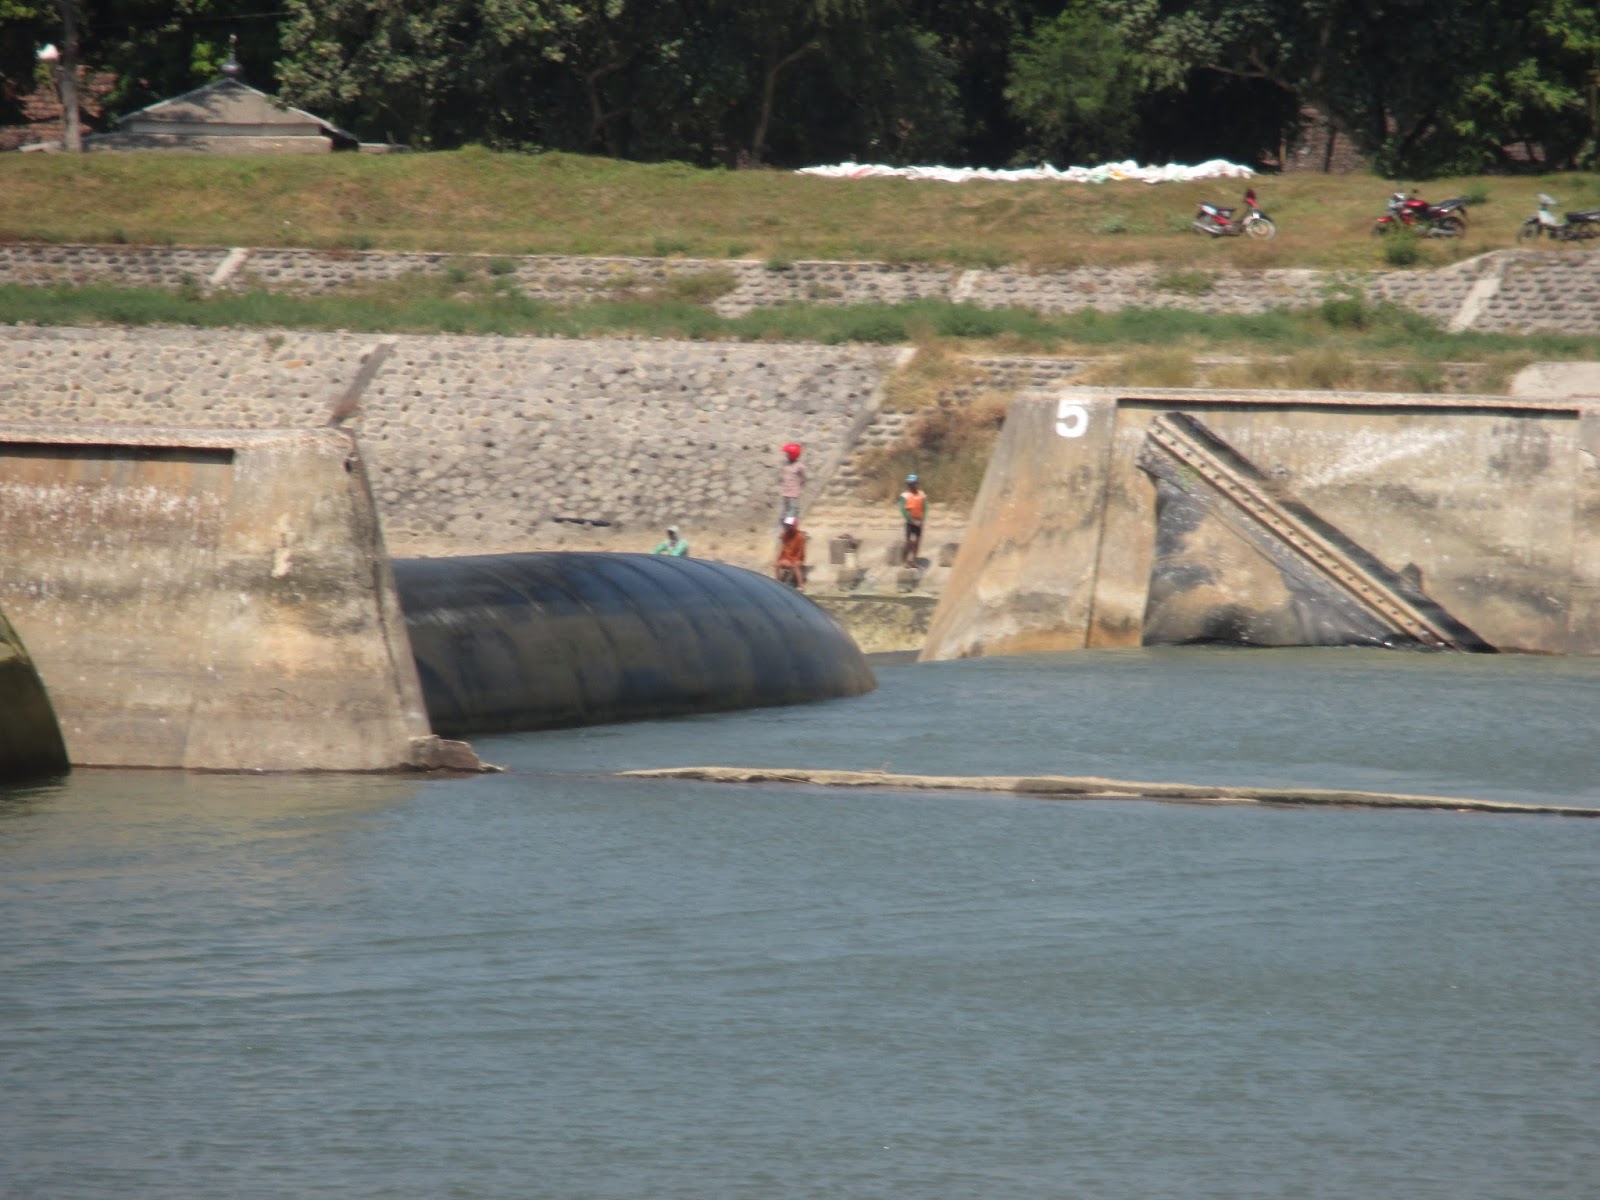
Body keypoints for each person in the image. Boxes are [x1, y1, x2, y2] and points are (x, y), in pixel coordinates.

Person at [899, 474, 926, 566]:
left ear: (916, 484)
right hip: (909, 522)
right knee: (908, 542)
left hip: (918, 521)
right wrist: (910, 519)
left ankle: (914, 559)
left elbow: (925, 508)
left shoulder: (921, 494)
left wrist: (922, 520)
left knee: (917, 541)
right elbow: (903, 509)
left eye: (912, 483)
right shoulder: (904, 495)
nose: (910, 485)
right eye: (909, 484)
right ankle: (905, 560)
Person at [775, 515, 807, 590]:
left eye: (789, 525)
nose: (787, 527)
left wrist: (794, 560)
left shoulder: (799, 536)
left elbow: (801, 552)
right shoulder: (785, 535)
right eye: (786, 525)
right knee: (777, 564)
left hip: (797, 559)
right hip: (787, 558)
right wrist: (782, 558)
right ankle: (779, 581)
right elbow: (784, 549)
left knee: (795, 565)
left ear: (793, 526)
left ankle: (801, 585)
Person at [778, 442, 807, 523]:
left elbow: (803, 478)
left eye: (787, 454)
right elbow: (804, 478)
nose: (786, 455)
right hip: (789, 492)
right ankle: (788, 525)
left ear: (791, 455)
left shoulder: (794, 466)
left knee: (791, 509)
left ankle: (788, 525)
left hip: (790, 492)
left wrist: (799, 487)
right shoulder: (791, 465)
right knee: (790, 509)